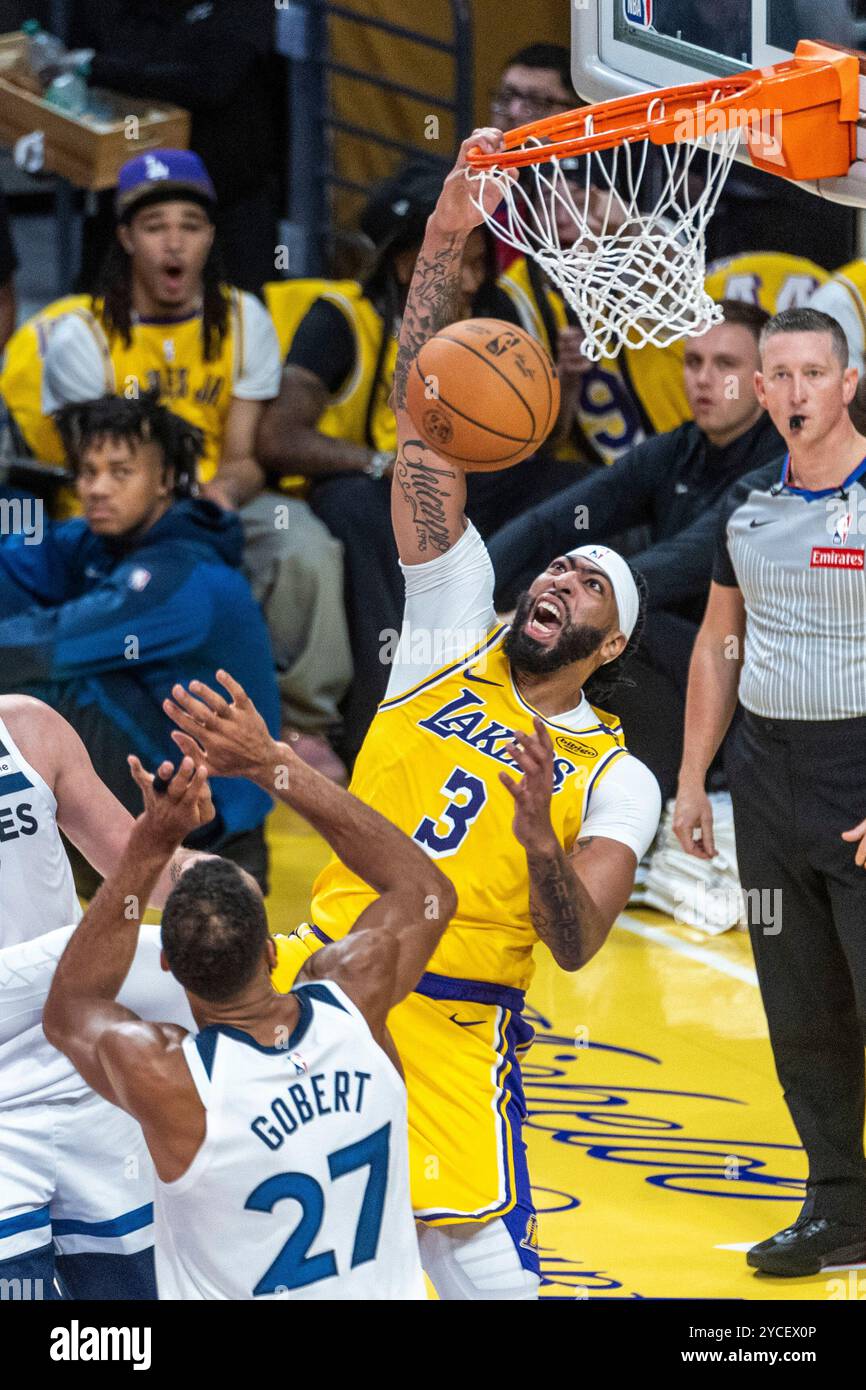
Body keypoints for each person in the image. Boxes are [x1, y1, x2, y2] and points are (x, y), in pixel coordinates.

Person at [264, 131, 662, 1301]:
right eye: (555, 571)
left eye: (587, 585)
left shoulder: (613, 774)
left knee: (471, 1259)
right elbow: (422, 431)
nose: (555, 582)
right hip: (322, 969)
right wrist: (444, 242)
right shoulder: (447, 633)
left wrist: (540, 837)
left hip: (452, 1018)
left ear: (615, 640)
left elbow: (579, 943)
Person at [42, 672, 458, 1300]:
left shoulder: (174, 1080)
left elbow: (71, 1009)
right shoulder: (353, 1003)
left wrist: (151, 845)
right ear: (271, 953)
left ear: (170, 969)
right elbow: (425, 892)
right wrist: (273, 765)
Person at [0, 149, 350, 774]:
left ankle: (301, 722)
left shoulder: (245, 319)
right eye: (157, 226)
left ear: (211, 235)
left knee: (304, 547)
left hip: (215, 497)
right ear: (128, 238)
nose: (175, 243)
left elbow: (245, 458)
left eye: (190, 225)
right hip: (120, 504)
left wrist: (214, 497)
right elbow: (102, 460)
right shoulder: (81, 333)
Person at [673, 306, 866, 1277]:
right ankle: (836, 1206)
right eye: (775, 376)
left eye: (810, 374)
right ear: (761, 392)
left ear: (846, 383)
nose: (792, 393)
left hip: (856, 772)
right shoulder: (746, 504)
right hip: (764, 775)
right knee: (799, 1010)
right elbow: (715, 641)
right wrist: (691, 779)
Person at [259, 163, 569, 765]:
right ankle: (385, 717)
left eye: (484, 263)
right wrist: (382, 463)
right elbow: (279, 436)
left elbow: (537, 442)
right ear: (408, 264)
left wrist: (563, 390)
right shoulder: (341, 317)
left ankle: (541, 698)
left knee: (574, 492)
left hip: (472, 483)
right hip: (370, 485)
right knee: (360, 510)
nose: (478, 279)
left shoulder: (498, 315)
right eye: (466, 262)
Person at [488, 301, 784, 800]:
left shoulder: (781, 466)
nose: (703, 380)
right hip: (687, 648)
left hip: (760, 671)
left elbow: (682, 564)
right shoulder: (680, 448)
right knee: (585, 600)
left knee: (614, 625)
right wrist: (471, 591)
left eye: (725, 365)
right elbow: (551, 522)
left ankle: (652, 799)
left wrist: (553, 606)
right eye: (693, 362)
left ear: (764, 381)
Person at [0, 392, 280, 887]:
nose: (97, 489)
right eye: (87, 472)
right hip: (151, 750)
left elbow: (41, 648)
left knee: (46, 690)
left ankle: (131, 858)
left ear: (165, 481)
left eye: (120, 472)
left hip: (209, 814)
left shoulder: (182, 575)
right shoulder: (100, 539)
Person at [0, 693, 208, 1299]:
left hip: (87, 1077)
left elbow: (136, 864)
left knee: (134, 1320)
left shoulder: (27, 728)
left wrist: (222, 885)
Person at [69, 0, 282, 296]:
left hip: (228, 208)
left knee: (237, 327)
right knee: (105, 329)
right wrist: (53, 154)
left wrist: (101, 68)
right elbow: (76, 97)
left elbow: (212, 82)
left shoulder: (242, 8)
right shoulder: (103, 9)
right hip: (126, 213)